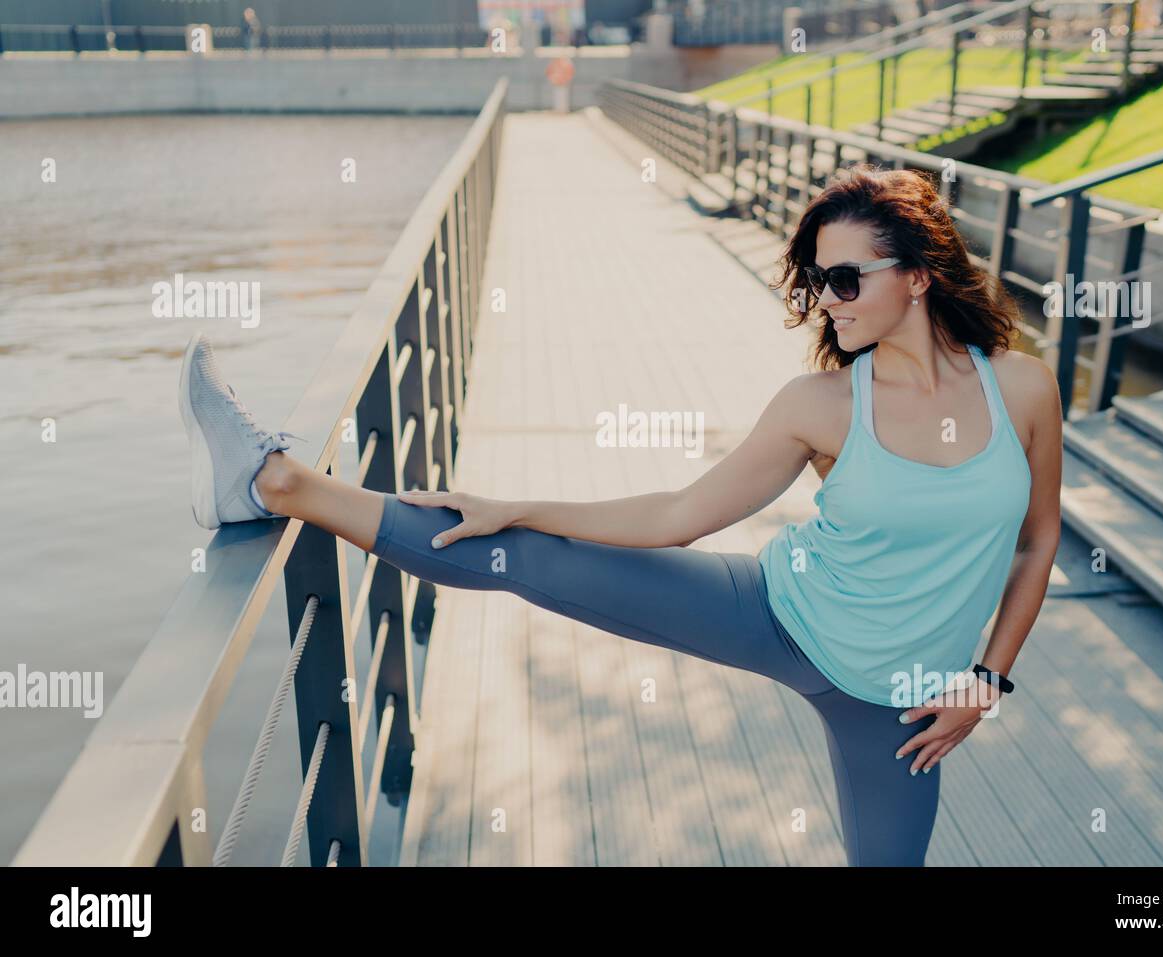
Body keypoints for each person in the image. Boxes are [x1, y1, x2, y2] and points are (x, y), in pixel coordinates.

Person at [177, 164, 1062, 866]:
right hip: (779, 614)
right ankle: (276, 479)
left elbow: (1036, 541)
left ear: (915, 275)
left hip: (899, 706)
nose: (826, 298)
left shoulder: (1023, 389)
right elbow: (679, 514)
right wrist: (520, 504)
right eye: (815, 280)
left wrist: (987, 679)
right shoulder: (820, 404)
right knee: (521, 554)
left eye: (843, 277)